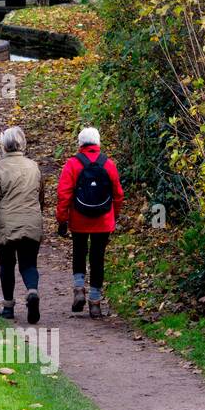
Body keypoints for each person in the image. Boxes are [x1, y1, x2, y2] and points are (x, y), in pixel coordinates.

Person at [0, 126, 44, 323]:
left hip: (5, 225)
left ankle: (8, 307)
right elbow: (40, 196)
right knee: (29, 263)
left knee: (6, 265)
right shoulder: (34, 167)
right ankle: (32, 291)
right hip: (31, 222)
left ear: (3, 146)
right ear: (22, 144)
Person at [56, 126, 125, 318]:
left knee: (79, 252)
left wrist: (62, 219)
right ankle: (95, 302)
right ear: (98, 143)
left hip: (79, 217)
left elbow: (64, 194)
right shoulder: (108, 164)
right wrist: (114, 216)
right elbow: (118, 194)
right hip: (103, 220)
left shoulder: (72, 164)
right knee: (97, 258)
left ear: (80, 144)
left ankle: (79, 290)